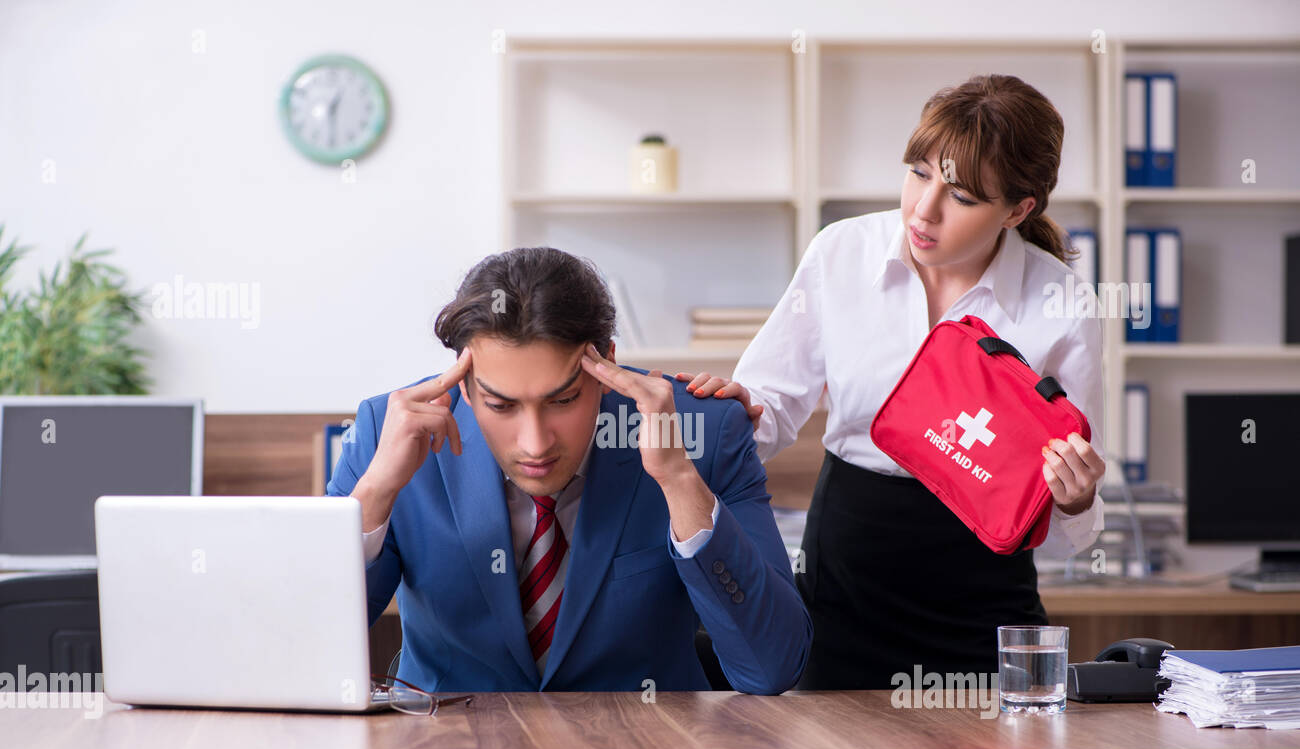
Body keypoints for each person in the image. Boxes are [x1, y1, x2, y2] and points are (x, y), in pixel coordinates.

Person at [673, 74, 1106, 689]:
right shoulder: (841, 253)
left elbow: (1070, 524)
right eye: (918, 173)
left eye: (961, 196)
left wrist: (1077, 497)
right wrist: (741, 412)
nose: (923, 210)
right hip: (843, 586)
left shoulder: (1062, 302)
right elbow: (769, 410)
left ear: (1018, 209)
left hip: (981, 602)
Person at [326, 246, 811, 694]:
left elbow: (771, 668)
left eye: (564, 400)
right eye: (500, 404)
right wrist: (375, 492)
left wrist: (679, 481)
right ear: (464, 381)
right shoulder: (384, 433)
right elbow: (305, 644)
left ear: (608, 368)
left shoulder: (703, 429)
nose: (535, 443)